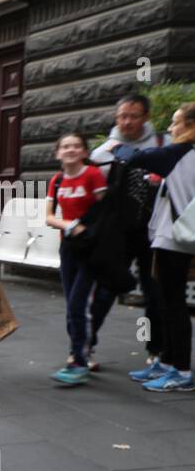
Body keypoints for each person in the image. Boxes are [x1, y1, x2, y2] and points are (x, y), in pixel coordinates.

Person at [109, 102, 195, 391]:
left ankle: (181, 371)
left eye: (175, 122)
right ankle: (169, 362)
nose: (170, 129)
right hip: (171, 237)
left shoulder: (180, 152)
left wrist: (115, 145)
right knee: (167, 303)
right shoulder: (183, 154)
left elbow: (133, 156)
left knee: (173, 305)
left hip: (175, 239)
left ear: (190, 126)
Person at [92, 94, 169, 372]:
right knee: (106, 288)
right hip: (118, 233)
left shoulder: (163, 144)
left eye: (133, 116)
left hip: (153, 233)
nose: (127, 121)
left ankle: (155, 349)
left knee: (154, 293)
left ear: (146, 117)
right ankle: (86, 345)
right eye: (122, 116)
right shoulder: (105, 150)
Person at [45, 133, 109, 385]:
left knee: (78, 303)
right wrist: (71, 226)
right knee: (73, 304)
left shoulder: (92, 175)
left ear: (84, 152)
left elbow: (107, 212)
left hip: (91, 250)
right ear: (58, 153)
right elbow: (49, 218)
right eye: (65, 146)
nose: (70, 150)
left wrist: (91, 232)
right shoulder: (57, 180)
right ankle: (78, 351)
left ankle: (79, 361)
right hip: (69, 247)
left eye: (76, 146)